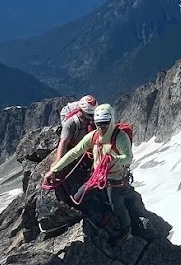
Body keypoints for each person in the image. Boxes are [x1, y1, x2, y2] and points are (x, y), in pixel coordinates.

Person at [45, 102, 135, 238]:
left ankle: (125, 230)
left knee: (117, 205)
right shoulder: (93, 136)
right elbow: (74, 152)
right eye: (98, 123)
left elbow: (128, 158)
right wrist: (55, 169)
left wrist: (114, 159)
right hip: (98, 176)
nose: (102, 126)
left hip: (114, 178)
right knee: (78, 199)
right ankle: (106, 211)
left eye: (105, 122)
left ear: (111, 120)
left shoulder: (120, 137)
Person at [55, 94, 97, 162]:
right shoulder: (70, 123)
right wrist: (58, 160)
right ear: (81, 110)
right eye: (89, 114)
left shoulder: (92, 114)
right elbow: (64, 141)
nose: (92, 117)